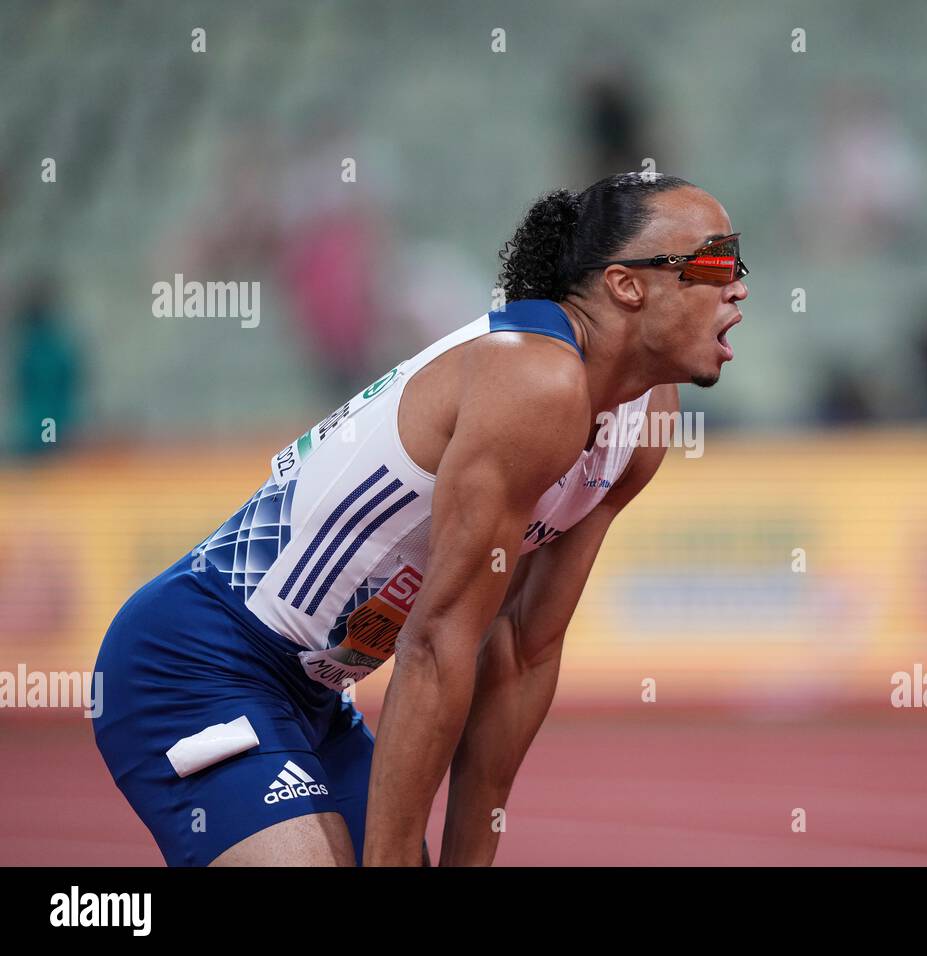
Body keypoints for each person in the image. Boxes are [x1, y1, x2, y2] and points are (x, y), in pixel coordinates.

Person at [91, 171, 748, 866]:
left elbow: (520, 653)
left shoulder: (645, 422)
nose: (738, 286)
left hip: (315, 697)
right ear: (625, 285)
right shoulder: (535, 381)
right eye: (714, 263)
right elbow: (435, 644)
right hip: (193, 661)